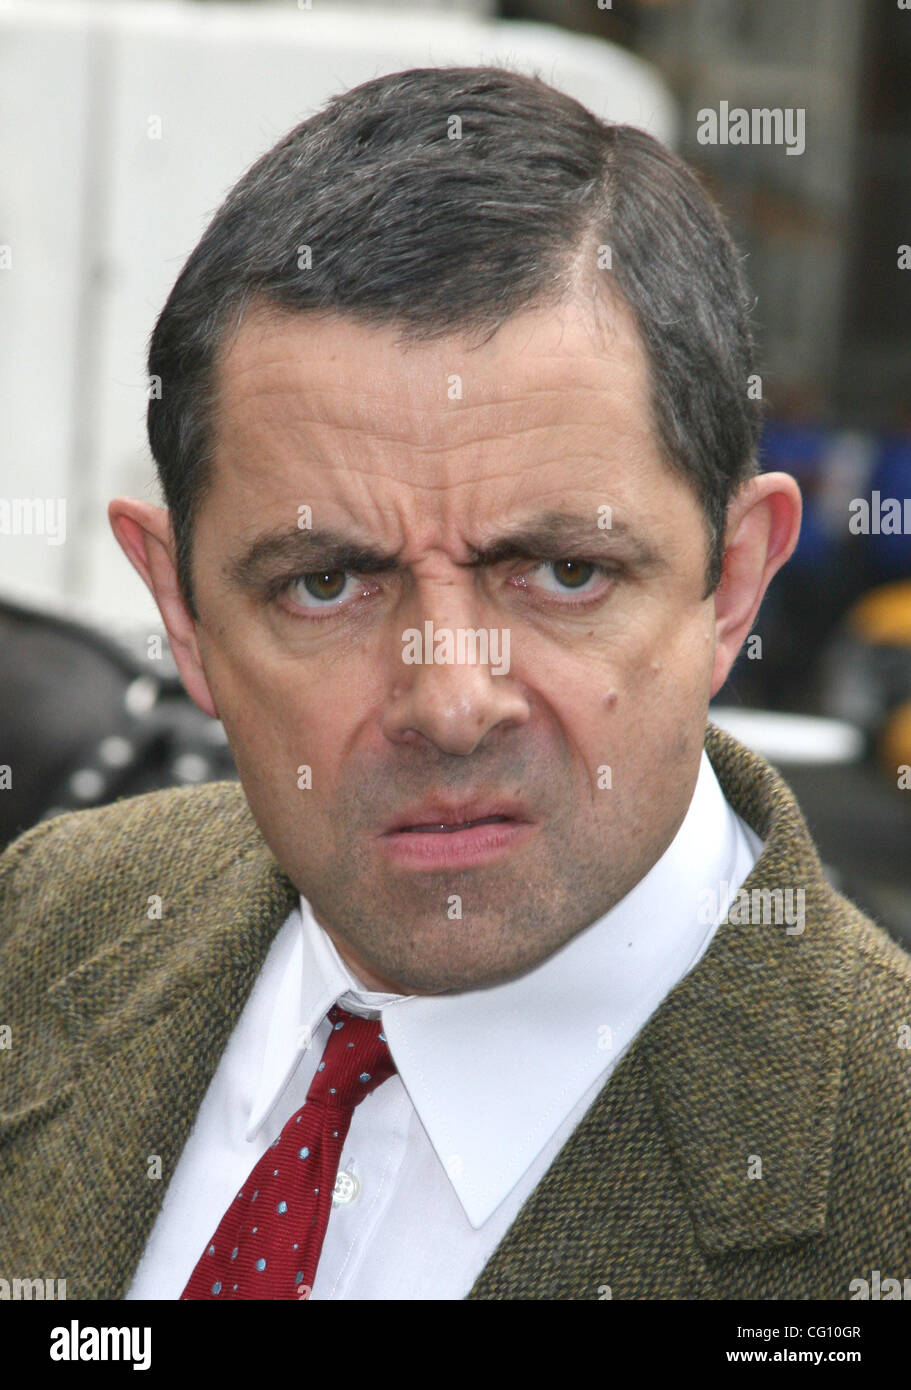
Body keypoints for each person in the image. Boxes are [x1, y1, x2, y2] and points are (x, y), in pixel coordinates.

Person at [1, 65, 909, 1302]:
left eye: (562, 572)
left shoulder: (877, 1181)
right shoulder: (50, 926)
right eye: (326, 584)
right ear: (182, 613)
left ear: (732, 583)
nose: (449, 703)